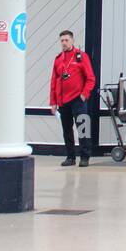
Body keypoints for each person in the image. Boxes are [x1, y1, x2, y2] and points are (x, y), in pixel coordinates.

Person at [50, 29, 95, 167]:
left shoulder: (81, 56)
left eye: (66, 40)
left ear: (72, 40)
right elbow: (54, 81)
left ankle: (85, 157)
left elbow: (91, 78)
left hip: (78, 99)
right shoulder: (58, 60)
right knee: (67, 130)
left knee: (83, 128)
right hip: (63, 101)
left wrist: (84, 95)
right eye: (62, 40)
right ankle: (70, 157)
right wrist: (53, 102)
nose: (64, 43)